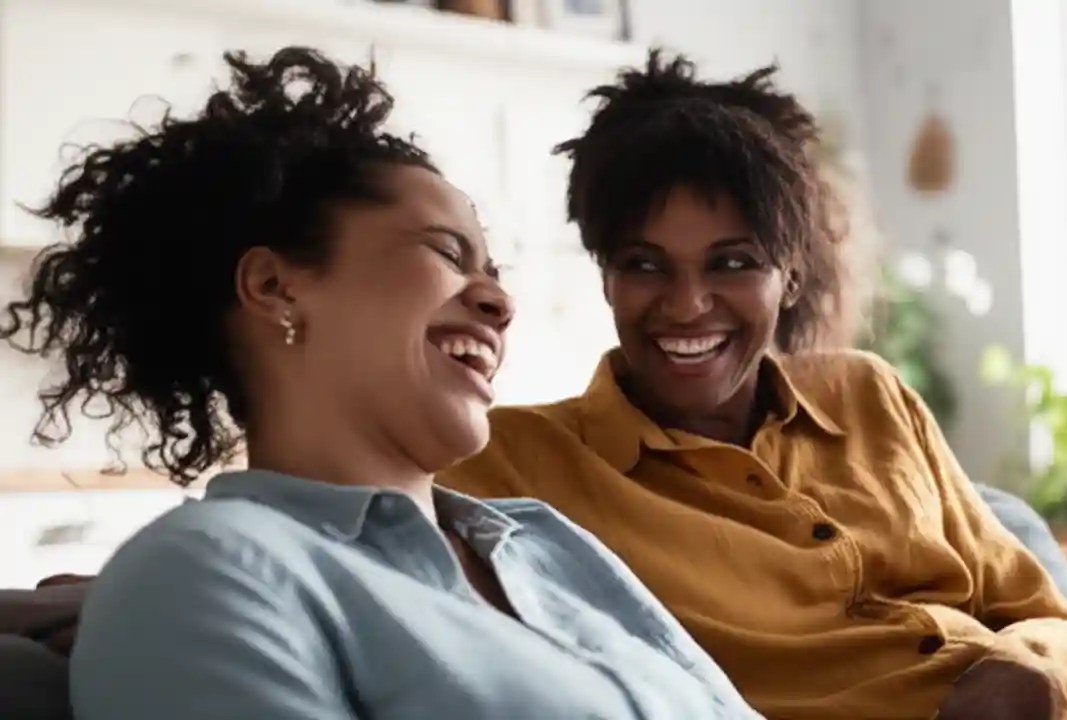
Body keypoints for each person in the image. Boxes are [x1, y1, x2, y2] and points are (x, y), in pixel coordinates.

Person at [440, 51, 1067, 719]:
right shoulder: (511, 461)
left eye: (732, 264)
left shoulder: (867, 393)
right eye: (644, 266)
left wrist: (1030, 672)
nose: (686, 304)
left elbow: (1048, 615)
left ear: (790, 278)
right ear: (606, 279)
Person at [0, 47, 760, 720]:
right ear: (275, 286)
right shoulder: (203, 572)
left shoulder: (542, 543)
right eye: (447, 252)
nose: (499, 303)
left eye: (494, 272)